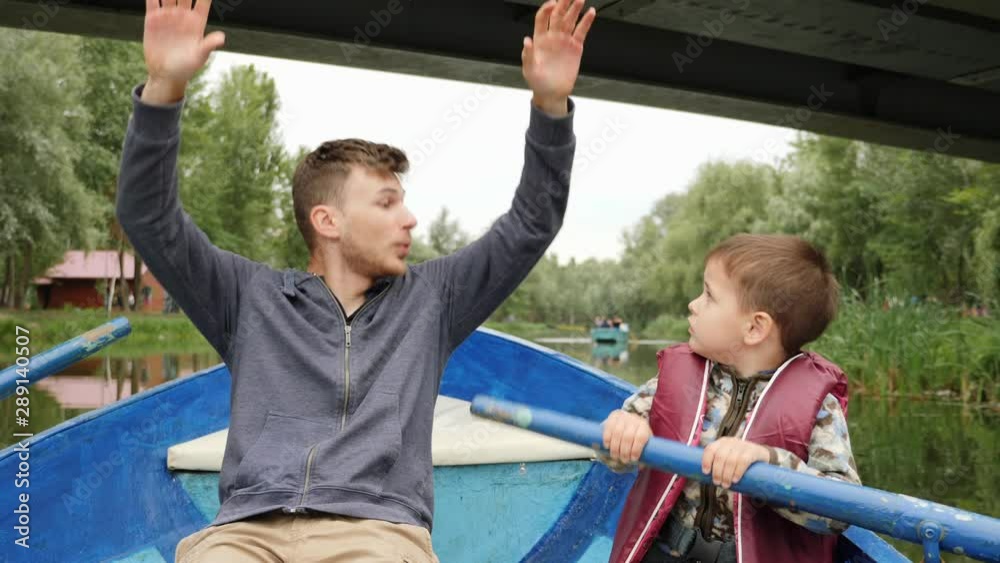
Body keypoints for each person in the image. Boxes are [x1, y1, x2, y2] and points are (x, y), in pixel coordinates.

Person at [116, 0, 596, 560]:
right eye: (388, 203)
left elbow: (532, 222)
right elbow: (149, 216)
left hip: (377, 532)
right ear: (328, 221)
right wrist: (163, 86)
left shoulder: (433, 300)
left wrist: (550, 104)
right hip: (247, 530)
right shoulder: (248, 299)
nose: (410, 220)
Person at [599, 234, 860, 563]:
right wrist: (622, 429)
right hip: (665, 551)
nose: (693, 304)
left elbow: (842, 510)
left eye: (709, 295)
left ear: (754, 328)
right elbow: (612, 456)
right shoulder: (675, 380)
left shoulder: (819, 408)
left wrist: (769, 464)